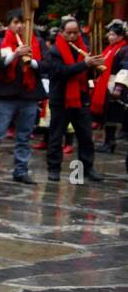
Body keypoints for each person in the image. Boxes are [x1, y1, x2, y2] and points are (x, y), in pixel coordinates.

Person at [0, 8, 44, 185]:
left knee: (25, 135)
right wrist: (14, 56)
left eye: (23, 22)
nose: (19, 26)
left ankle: (21, 170)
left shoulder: (38, 42)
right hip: (6, 95)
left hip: (29, 95)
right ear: (8, 26)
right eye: (15, 22)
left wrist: (32, 60)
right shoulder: (1, 43)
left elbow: (49, 65)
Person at [42, 15, 104, 182]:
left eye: (75, 33)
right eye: (69, 33)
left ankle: (87, 168)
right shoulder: (54, 51)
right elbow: (60, 72)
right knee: (56, 136)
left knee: (86, 135)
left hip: (81, 98)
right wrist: (85, 64)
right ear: (61, 33)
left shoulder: (84, 47)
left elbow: (86, 74)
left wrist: (94, 68)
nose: (72, 36)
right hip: (60, 99)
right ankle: (53, 169)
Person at [92, 19, 128, 154]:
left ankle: (110, 141)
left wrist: (118, 88)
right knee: (107, 114)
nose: (109, 36)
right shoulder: (110, 49)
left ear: (120, 36)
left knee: (112, 115)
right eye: (109, 34)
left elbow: (126, 68)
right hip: (106, 83)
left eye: (112, 34)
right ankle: (107, 141)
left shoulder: (124, 49)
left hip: (116, 84)